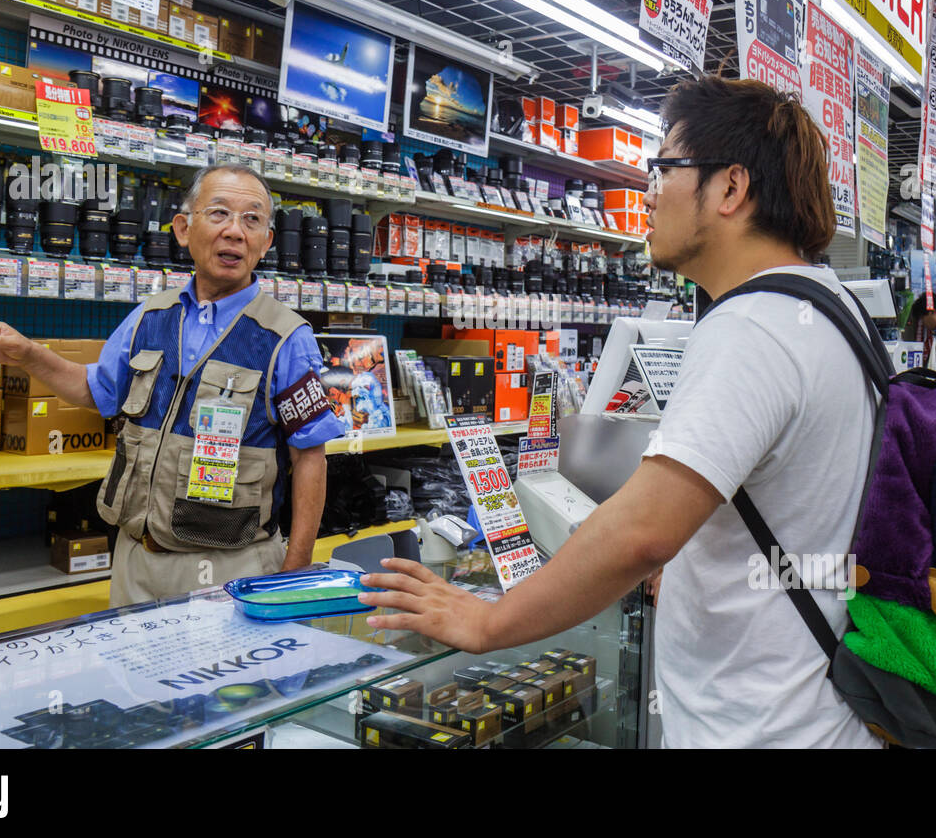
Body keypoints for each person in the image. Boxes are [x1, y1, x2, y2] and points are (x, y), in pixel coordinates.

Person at [359, 76, 881, 748]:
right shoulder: (833, 310)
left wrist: (487, 624)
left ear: (730, 188)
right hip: (817, 705)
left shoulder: (751, 327)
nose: (648, 190)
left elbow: (642, 533)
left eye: (664, 166)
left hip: (761, 727)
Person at [0, 164, 343, 606]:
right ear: (182, 228)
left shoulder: (286, 338)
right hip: (135, 560)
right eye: (218, 214)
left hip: (230, 567)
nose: (235, 231)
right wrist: (27, 354)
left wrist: (295, 569)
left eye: (252, 219)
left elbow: (310, 455)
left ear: (267, 242)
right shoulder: (149, 317)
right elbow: (93, 390)